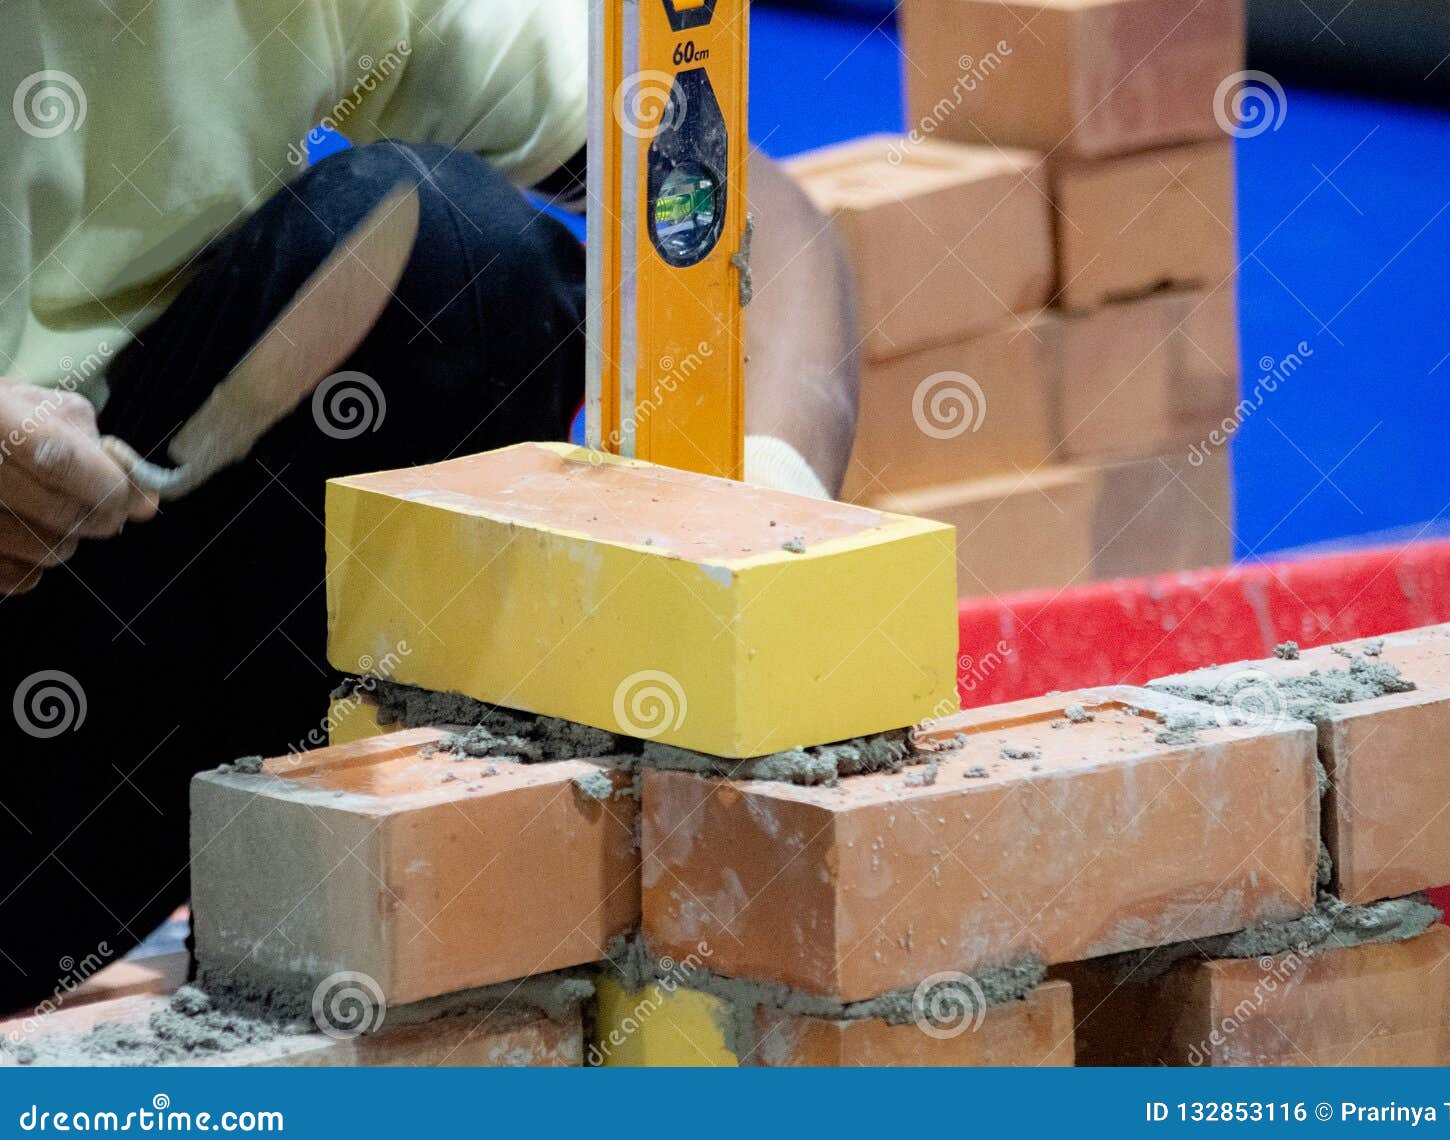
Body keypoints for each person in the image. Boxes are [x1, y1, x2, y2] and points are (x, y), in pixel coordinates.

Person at [0, 1, 858, 1016]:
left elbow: (732, 205)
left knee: (459, 265)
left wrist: (761, 529)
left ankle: (319, 934)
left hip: (76, 739)